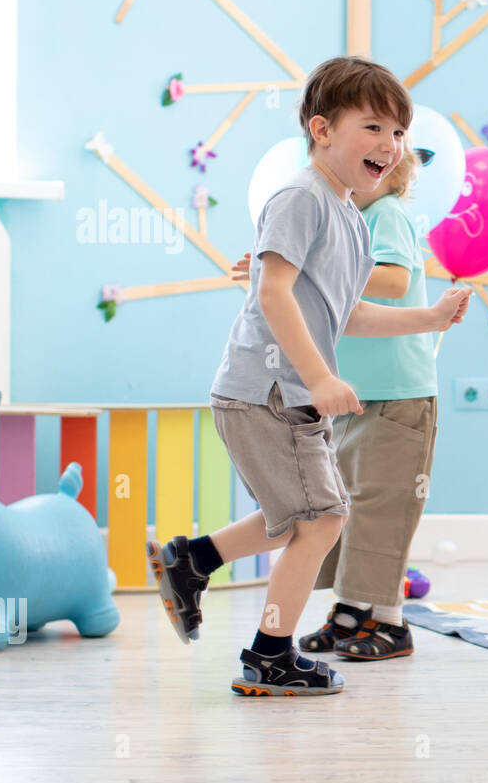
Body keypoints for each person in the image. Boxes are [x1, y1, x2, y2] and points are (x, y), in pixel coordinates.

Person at [146, 56, 470, 696]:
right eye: (373, 126)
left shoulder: (349, 215)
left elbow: (345, 311)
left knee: (303, 517)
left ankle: (193, 561)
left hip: (284, 395)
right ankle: (268, 654)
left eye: (399, 133)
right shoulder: (300, 197)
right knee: (322, 519)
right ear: (322, 129)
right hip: (266, 392)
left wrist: (427, 317)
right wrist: (321, 379)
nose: (390, 144)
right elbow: (273, 295)